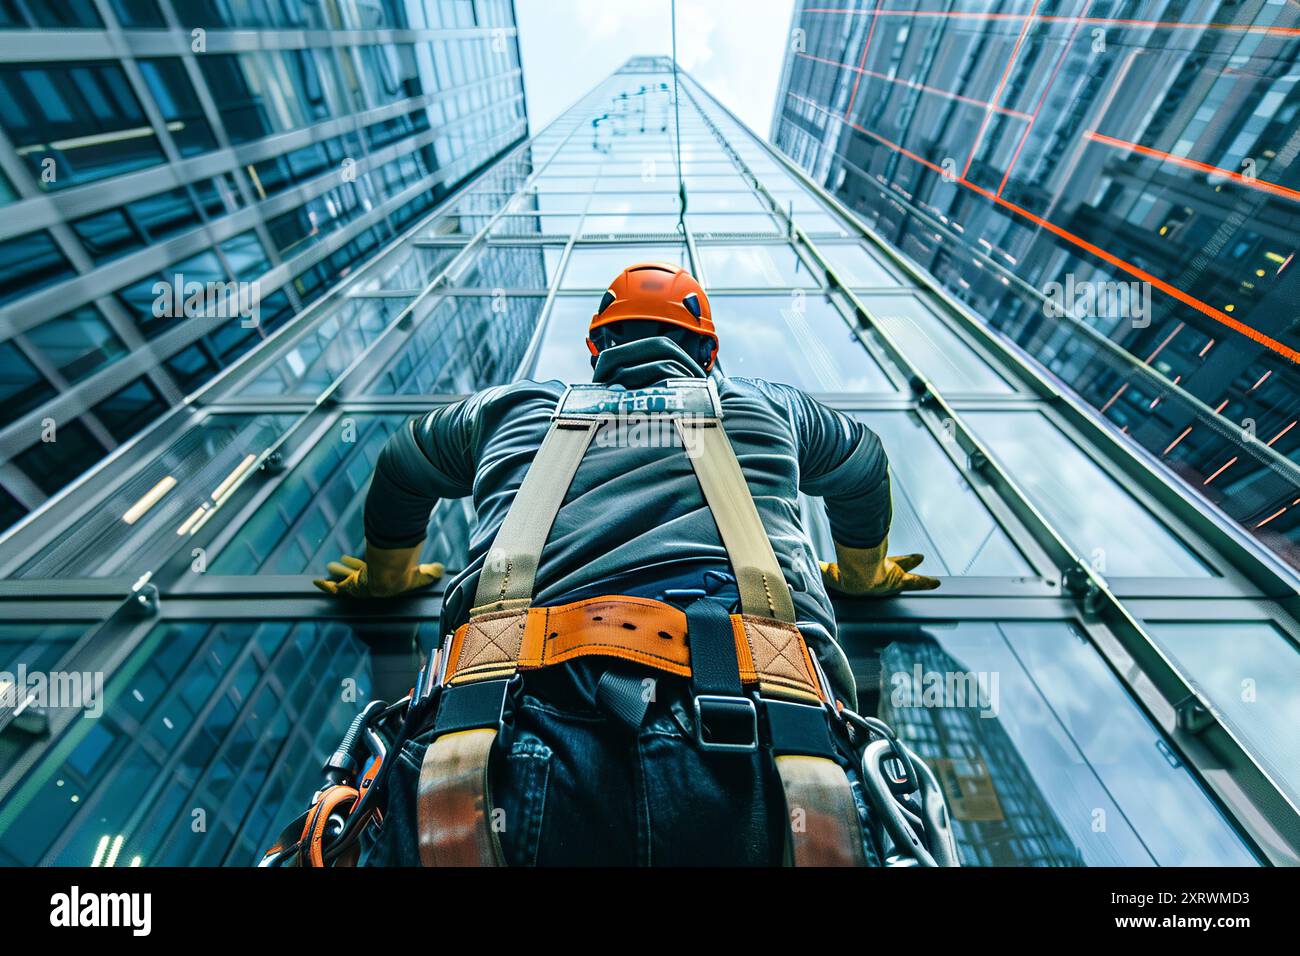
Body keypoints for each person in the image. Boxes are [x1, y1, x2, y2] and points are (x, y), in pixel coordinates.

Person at [314, 262, 940, 866]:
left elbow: (401, 465)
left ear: (598, 348)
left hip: (487, 749)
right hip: (775, 750)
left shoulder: (515, 410)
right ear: (707, 354)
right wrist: (863, 575)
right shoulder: (765, 406)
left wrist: (386, 578)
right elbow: (865, 469)